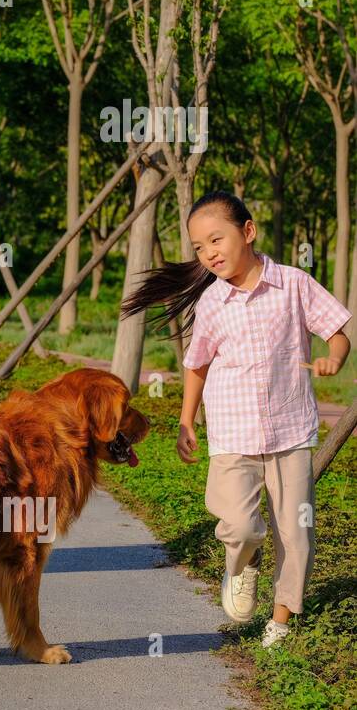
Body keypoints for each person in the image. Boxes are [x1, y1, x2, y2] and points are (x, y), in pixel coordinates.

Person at [121, 189, 350, 646]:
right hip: (231, 434)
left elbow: (338, 331)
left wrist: (334, 358)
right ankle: (242, 565)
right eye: (200, 247)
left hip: (290, 432)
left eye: (216, 240)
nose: (209, 254)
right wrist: (187, 423)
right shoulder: (211, 304)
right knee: (241, 526)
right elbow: (197, 365)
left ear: (248, 232)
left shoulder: (294, 284)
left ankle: (281, 621)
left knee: (297, 533)